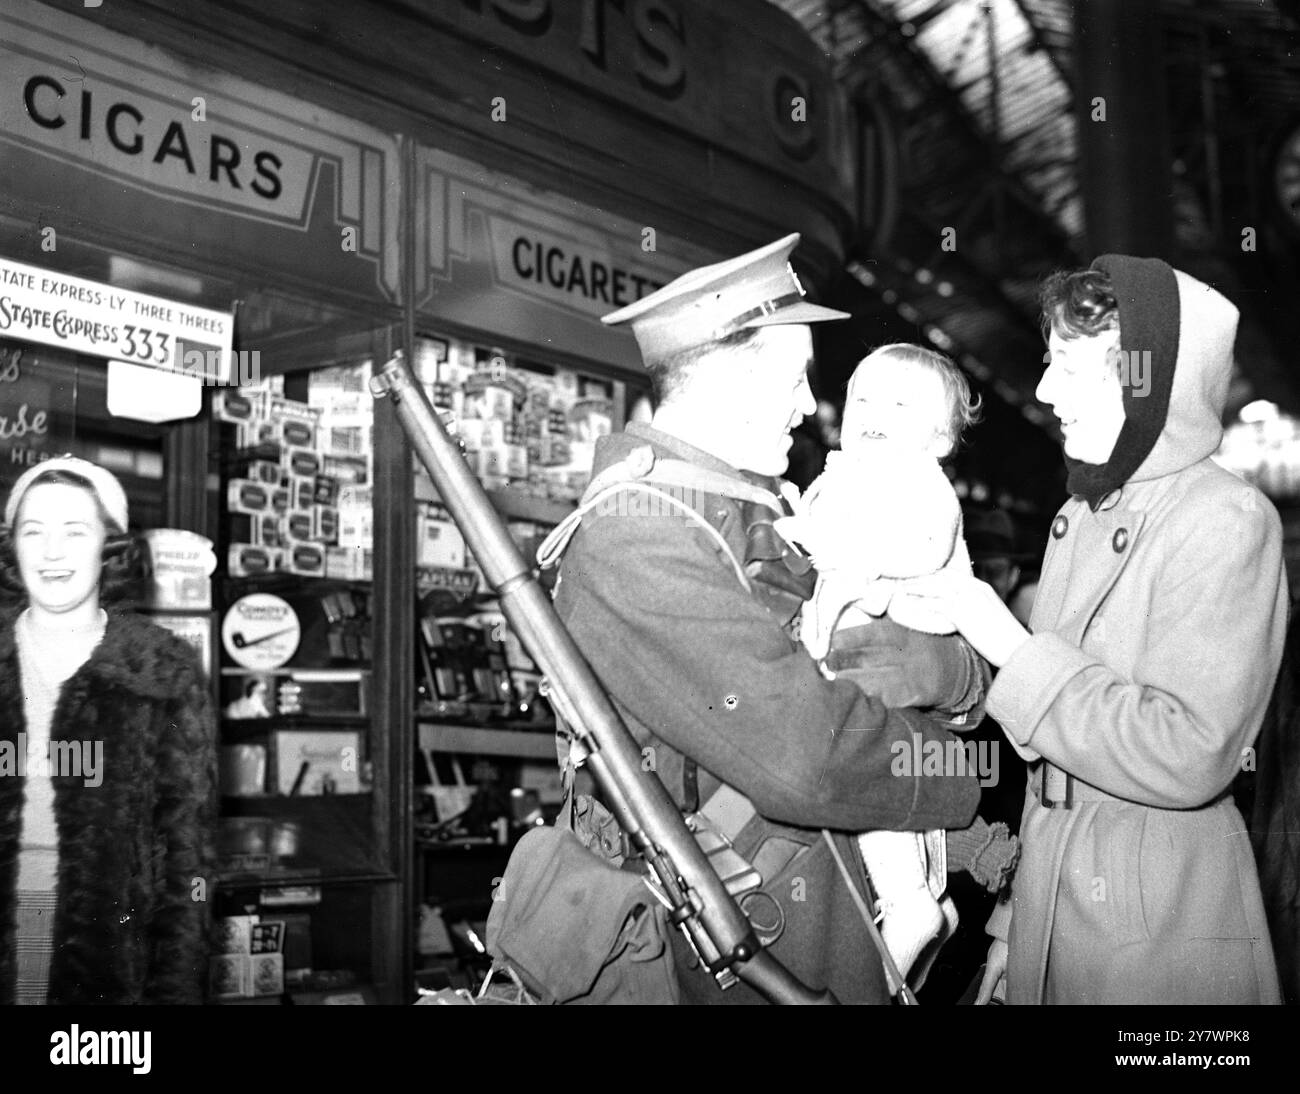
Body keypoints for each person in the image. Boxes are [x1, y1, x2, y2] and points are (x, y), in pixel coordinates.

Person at [546, 234, 985, 1004]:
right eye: (794, 380)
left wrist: (952, 677)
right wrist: (966, 768)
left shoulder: (770, 502)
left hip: (815, 927)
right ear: (728, 375)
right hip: (725, 959)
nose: (810, 406)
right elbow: (808, 758)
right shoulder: (636, 532)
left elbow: (929, 650)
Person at [910, 255, 1287, 1004]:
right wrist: (1015, 934)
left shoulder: (1226, 518)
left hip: (1159, 928)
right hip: (1059, 901)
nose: (1046, 391)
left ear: (1149, 384)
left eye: (1072, 371)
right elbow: (1054, 766)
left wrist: (1007, 641)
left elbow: (1188, 751)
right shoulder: (1082, 514)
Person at [775, 344, 1018, 993]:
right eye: (862, 398)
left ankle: (909, 904)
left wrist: (824, 543)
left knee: (876, 794)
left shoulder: (918, 483)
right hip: (861, 678)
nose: (874, 413)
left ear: (940, 439)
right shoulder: (846, 474)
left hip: (882, 672)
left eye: (901, 404)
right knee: (890, 801)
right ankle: (923, 907)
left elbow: (919, 546)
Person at [0, 456, 216, 1004]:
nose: (52, 552)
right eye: (34, 531)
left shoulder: (162, 671)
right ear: (12, 547)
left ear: (110, 547)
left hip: (108, 954)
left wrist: (176, 986)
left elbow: (188, 858)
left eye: (75, 531)